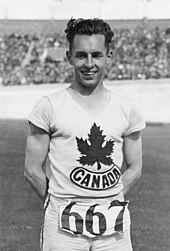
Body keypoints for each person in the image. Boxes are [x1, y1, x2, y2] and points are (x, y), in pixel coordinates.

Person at [24, 18, 146, 251]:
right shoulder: (49, 106)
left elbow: (135, 168)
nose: (89, 63)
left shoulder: (127, 108)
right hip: (63, 223)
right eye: (81, 55)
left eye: (97, 55)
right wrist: (56, 202)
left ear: (108, 56)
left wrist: (109, 198)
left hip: (113, 223)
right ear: (69, 56)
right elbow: (31, 170)